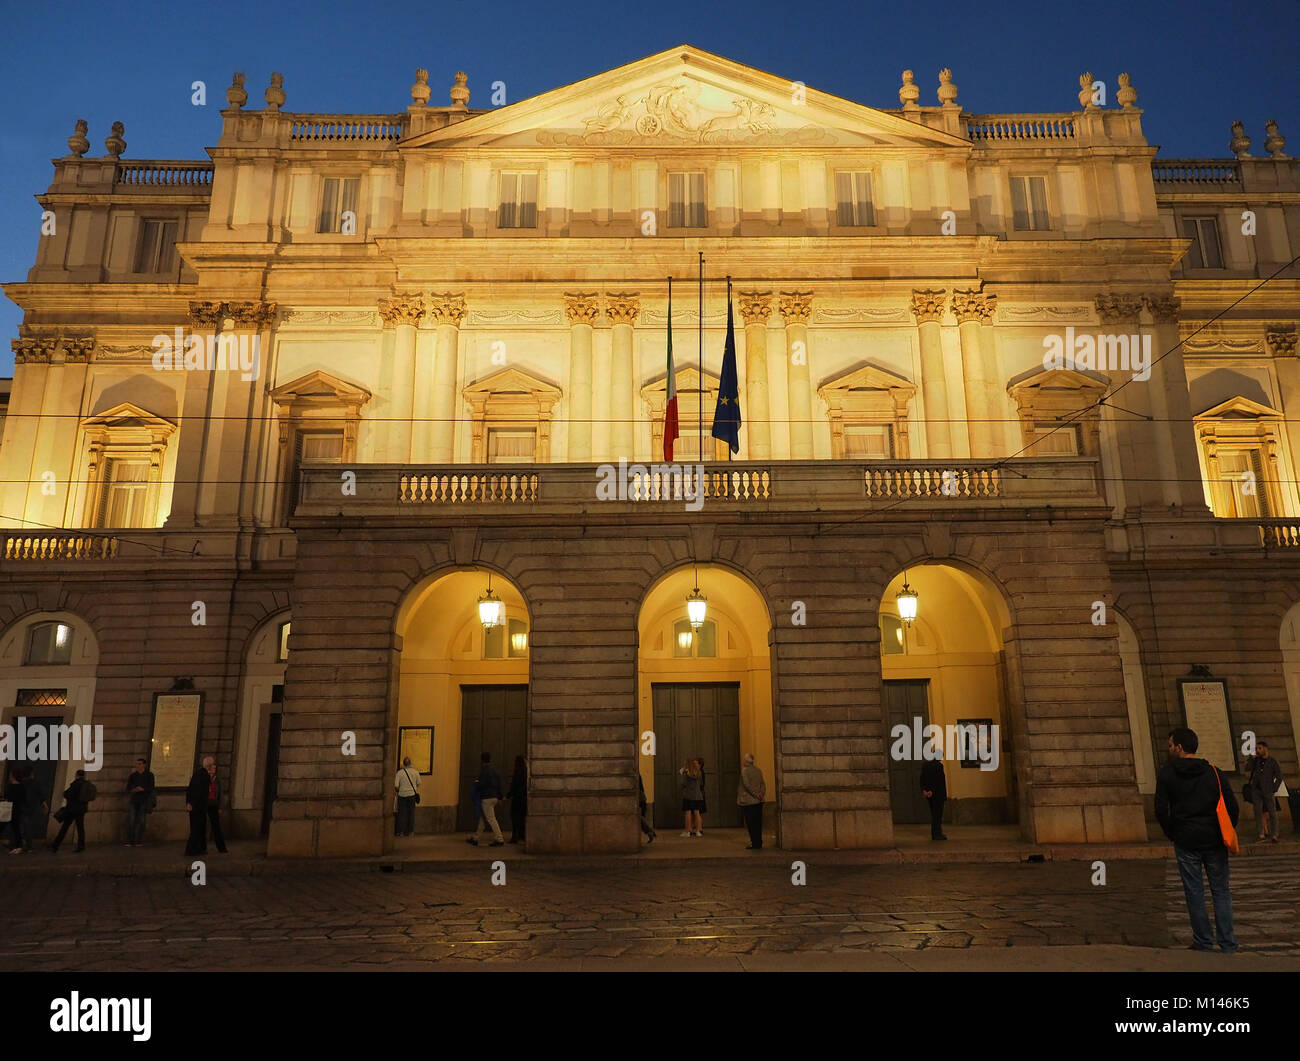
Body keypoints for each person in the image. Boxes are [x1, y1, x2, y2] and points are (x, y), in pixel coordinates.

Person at [1156, 727, 1238, 954]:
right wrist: (1225, 830)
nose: (1169, 748)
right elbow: (1232, 807)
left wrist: (1173, 832)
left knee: (1194, 891)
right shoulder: (1214, 772)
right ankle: (1227, 943)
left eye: (1171, 745)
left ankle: (1203, 941)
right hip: (1214, 839)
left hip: (1186, 839)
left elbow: (1161, 810)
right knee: (1221, 890)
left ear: (1180, 747)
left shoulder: (1167, 774)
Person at [185, 756, 227, 856]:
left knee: (198, 828)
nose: (213, 767)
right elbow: (199, 792)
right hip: (200, 806)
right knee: (197, 829)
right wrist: (193, 803)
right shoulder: (204, 776)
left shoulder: (197, 774)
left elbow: (190, 789)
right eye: (212, 765)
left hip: (198, 806)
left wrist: (189, 802)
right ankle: (192, 850)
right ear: (208, 766)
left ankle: (197, 849)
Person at [1245, 741, 1283, 843]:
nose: (1258, 750)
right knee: (1258, 812)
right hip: (1257, 790)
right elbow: (1247, 768)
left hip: (1268, 789)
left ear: (1265, 749)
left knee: (1272, 812)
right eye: (1257, 748)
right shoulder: (1256, 761)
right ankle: (1261, 833)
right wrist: (1251, 759)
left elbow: (1279, 776)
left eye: (1260, 748)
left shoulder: (1272, 761)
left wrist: (1274, 788)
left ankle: (1275, 834)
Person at [49, 769, 91, 853]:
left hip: (72, 810)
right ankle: (81, 846)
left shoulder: (75, 784)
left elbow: (67, 794)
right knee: (80, 828)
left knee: (64, 828)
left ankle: (55, 845)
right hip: (81, 810)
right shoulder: (86, 785)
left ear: (77, 775)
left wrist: (66, 794)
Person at [467, 752, 504, 847]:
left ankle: (499, 838)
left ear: (482, 760)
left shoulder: (484, 771)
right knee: (483, 819)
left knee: (491, 819)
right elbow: (499, 784)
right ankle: (475, 837)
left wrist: (476, 783)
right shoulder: (495, 771)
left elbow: (481, 785)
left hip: (486, 797)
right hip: (494, 797)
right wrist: (500, 797)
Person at [737, 753, 766, 849]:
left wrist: (755, 794)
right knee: (758, 822)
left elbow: (747, 785)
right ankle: (759, 842)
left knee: (751, 823)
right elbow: (763, 783)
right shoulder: (758, 770)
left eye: (744, 760)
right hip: (759, 801)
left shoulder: (745, 771)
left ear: (746, 761)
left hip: (749, 801)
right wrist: (761, 794)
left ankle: (754, 843)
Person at [125, 757, 155, 847]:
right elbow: (128, 787)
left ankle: (139, 840)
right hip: (134, 800)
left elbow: (151, 787)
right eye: (137, 764)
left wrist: (143, 789)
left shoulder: (149, 775)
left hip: (144, 800)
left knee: (142, 821)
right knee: (132, 820)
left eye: (140, 764)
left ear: (144, 765)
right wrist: (134, 789)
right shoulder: (133, 776)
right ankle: (131, 841)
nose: (138, 766)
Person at [20, 768, 48, 853]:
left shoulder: (21, 783)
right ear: (31, 774)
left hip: (21, 807)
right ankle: (28, 846)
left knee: (21, 826)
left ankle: (23, 845)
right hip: (31, 808)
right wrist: (45, 806)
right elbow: (41, 796)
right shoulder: (35, 784)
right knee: (27, 826)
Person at [921, 757, 948, 841]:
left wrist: (924, 790)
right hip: (938, 795)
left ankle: (934, 833)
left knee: (934, 814)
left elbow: (922, 778)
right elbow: (938, 781)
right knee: (938, 815)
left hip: (929, 795)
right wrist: (933, 791)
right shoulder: (939, 766)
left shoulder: (925, 765)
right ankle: (937, 834)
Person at [394, 756, 420, 837]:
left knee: (401, 814)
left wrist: (400, 790)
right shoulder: (415, 772)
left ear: (403, 763)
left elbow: (396, 786)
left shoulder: (399, 773)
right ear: (410, 763)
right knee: (411, 813)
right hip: (412, 795)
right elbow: (419, 783)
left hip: (402, 795)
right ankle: (410, 831)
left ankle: (401, 831)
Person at [679, 758, 704, 837]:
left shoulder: (687, 773)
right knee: (697, 813)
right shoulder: (699, 773)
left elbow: (683, 783)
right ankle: (698, 831)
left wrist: (682, 774)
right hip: (697, 795)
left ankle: (688, 831)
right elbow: (701, 783)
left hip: (688, 795)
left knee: (688, 813)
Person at [506, 755, 528, 843]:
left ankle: (515, 837)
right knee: (522, 818)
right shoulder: (526, 772)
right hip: (524, 798)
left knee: (514, 818)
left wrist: (507, 796)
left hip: (517, 799)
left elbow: (514, 786)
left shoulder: (517, 772)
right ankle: (522, 836)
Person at [5, 768, 27, 854]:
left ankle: (18, 846)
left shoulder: (10, 786)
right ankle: (18, 846)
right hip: (16, 810)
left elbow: (8, 797)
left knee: (13, 828)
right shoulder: (22, 787)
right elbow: (23, 799)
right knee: (16, 828)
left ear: (13, 776)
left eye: (11, 775)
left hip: (9, 809)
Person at [637, 772, 656, 844]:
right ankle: (649, 831)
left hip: (639, 799)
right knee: (640, 818)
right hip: (642, 798)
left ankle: (649, 831)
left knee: (639, 818)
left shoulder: (635, 775)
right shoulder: (637, 774)